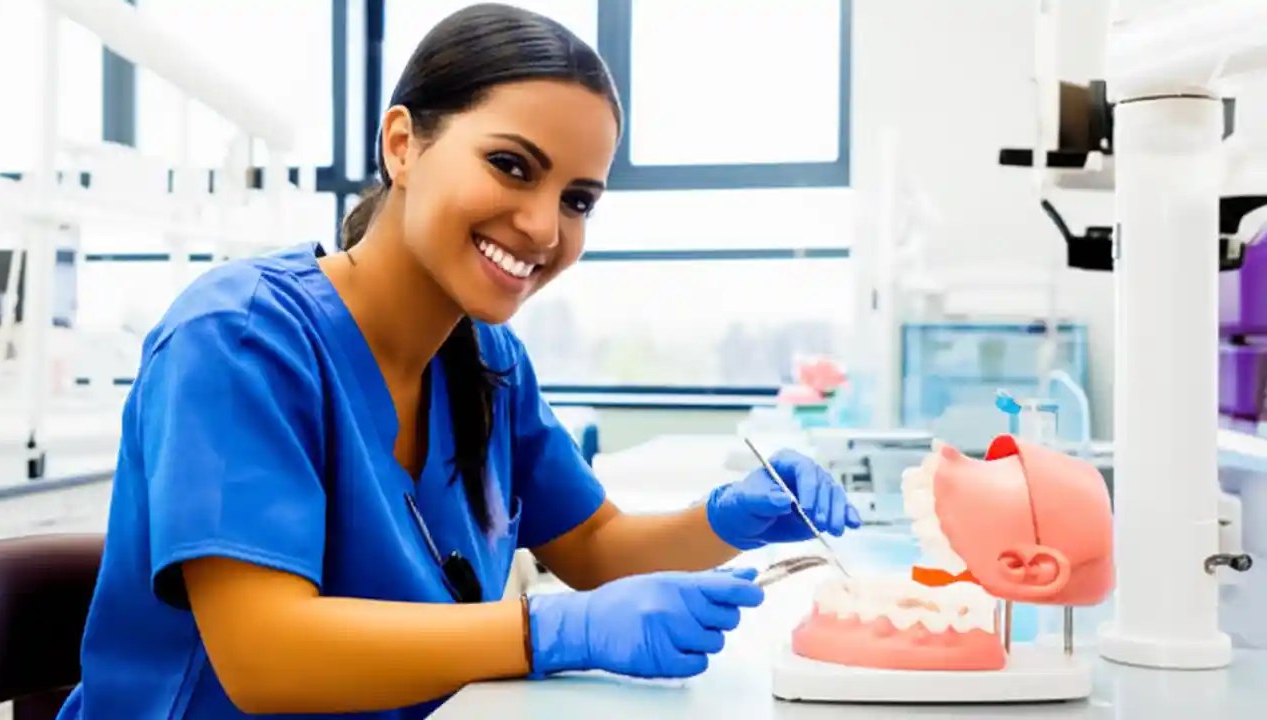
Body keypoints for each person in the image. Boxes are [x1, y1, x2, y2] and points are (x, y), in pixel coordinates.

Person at [55, 4, 862, 719]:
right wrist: (548, 631)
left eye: (579, 199)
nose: (546, 227)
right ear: (402, 145)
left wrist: (726, 520)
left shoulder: (486, 360)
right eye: (512, 165)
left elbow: (593, 546)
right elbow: (264, 656)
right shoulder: (240, 338)